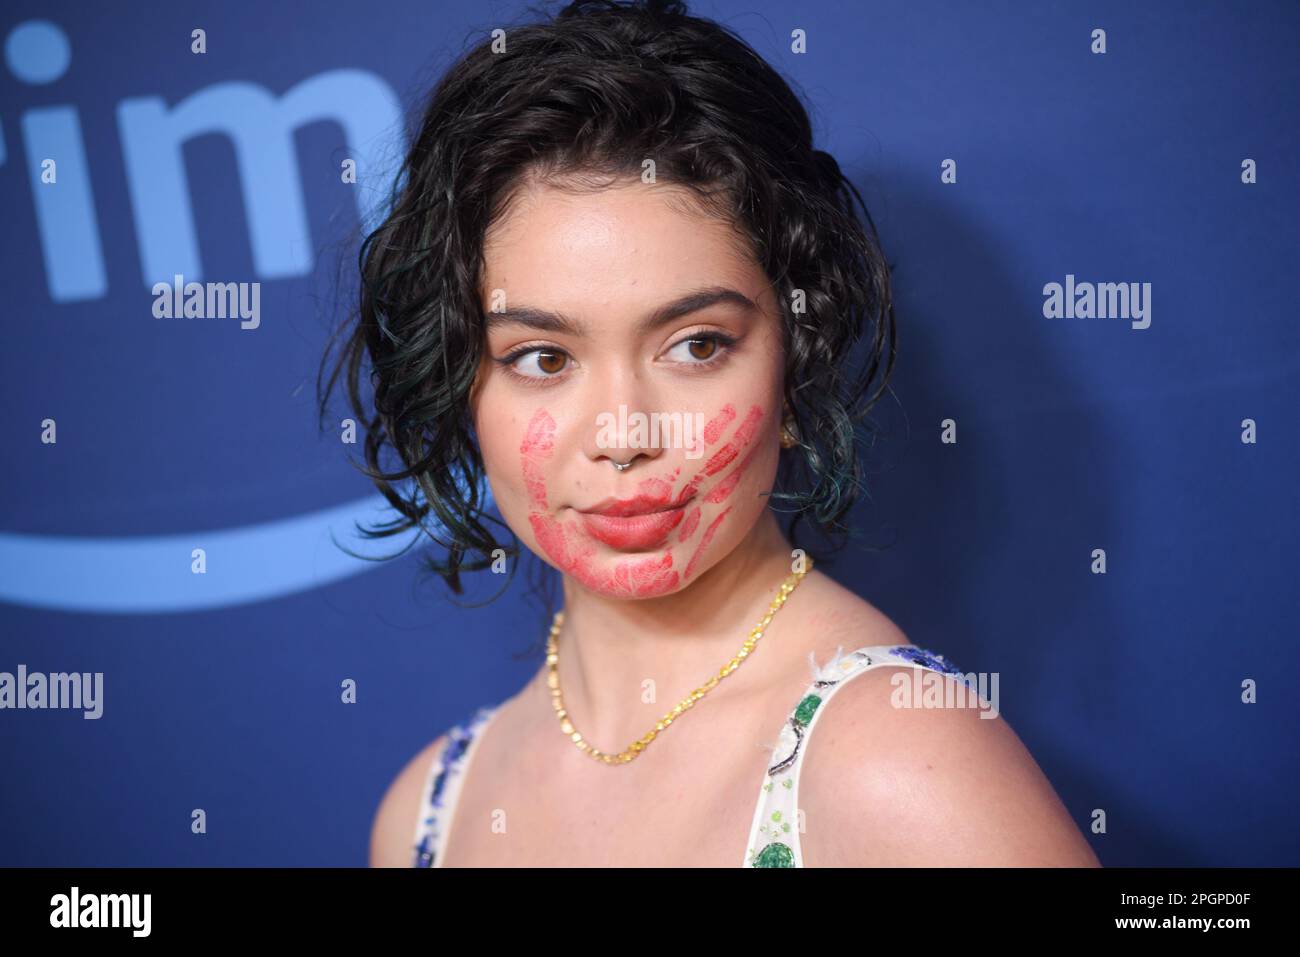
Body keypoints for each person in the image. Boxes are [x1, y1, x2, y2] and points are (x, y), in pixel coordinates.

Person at [322, 0, 1100, 867]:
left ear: (794, 363)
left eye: (696, 346)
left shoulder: (895, 758)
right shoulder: (427, 809)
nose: (622, 434)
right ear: (462, 382)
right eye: (542, 358)